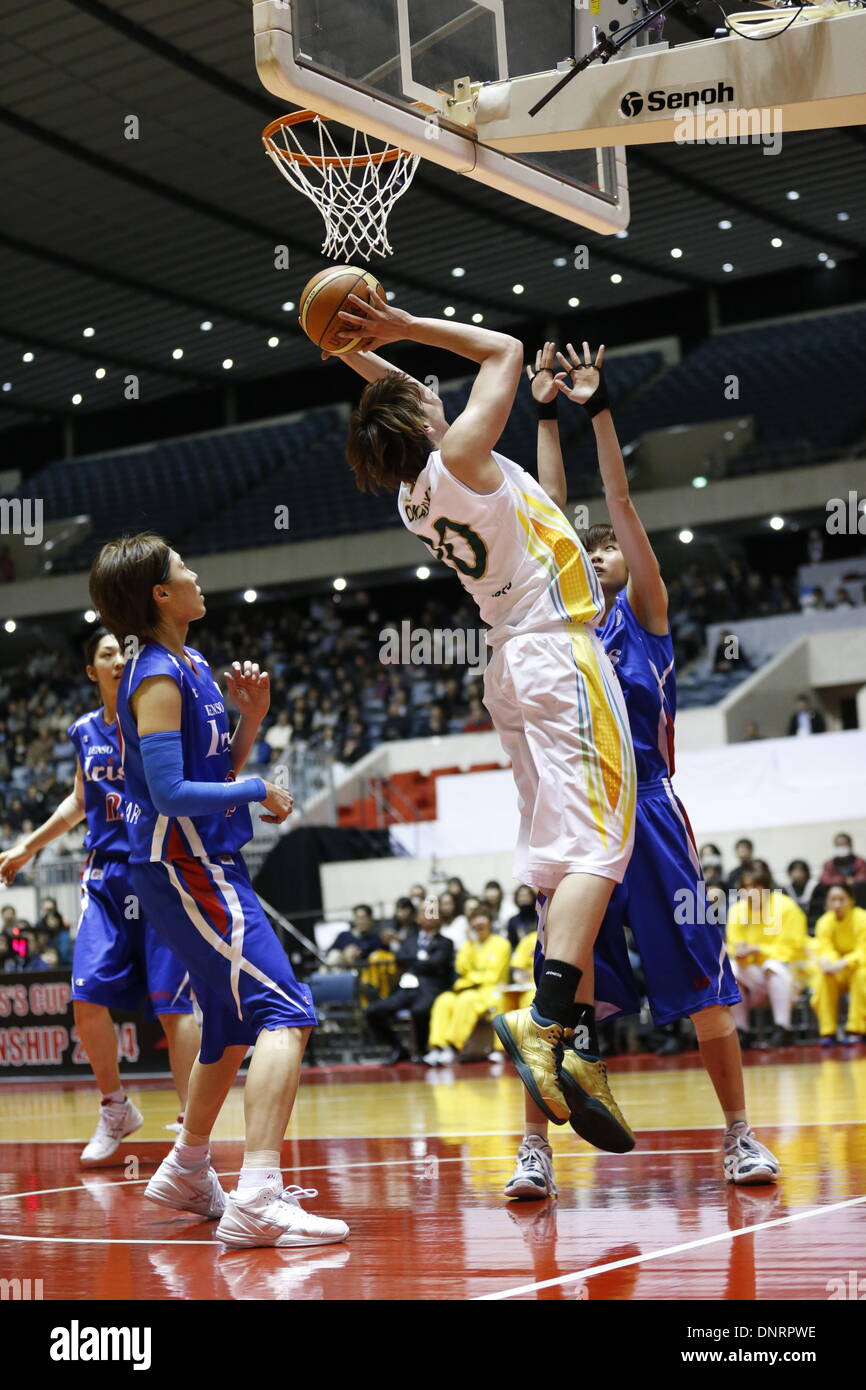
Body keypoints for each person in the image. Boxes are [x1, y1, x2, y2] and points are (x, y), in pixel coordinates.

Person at [334, 297, 635, 1154]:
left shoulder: (415, 489)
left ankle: (571, 1045)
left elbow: (399, 398)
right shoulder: (461, 455)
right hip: (555, 655)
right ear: (425, 421)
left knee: (553, 856)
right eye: (426, 394)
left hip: (511, 666)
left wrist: (355, 348)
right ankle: (545, 1021)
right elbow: (502, 348)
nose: (435, 391)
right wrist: (395, 323)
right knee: (599, 844)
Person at [502, 338, 777, 1200]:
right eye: (582, 547)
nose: (595, 547)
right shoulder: (564, 630)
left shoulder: (644, 615)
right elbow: (549, 509)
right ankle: (534, 1153)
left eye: (604, 548)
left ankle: (739, 1136)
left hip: (650, 810)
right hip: (578, 812)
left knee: (702, 981)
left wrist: (597, 408)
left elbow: (613, 500)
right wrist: (539, 412)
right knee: (557, 997)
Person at [89, 534, 346, 1249]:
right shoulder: (157, 677)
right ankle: (259, 1193)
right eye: (181, 568)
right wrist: (258, 785)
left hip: (200, 862)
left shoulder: (191, 662)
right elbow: (170, 793)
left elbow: (203, 767)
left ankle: (187, 1165)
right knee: (286, 1012)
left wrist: (251, 722)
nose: (195, 572)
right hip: (186, 865)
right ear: (159, 596)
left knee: (231, 1027)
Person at [0, 628, 200, 1164]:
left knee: (173, 1005)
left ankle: (191, 1130)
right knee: (86, 998)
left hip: (159, 867)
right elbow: (80, 800)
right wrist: (28, 846)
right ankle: (115, 1108)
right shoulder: (85, 730)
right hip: (106, 875)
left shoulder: (156, 716)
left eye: (124, 652)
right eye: (106, 654)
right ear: (92, 671)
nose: (117, 660)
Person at [726, 865, 809, 1048]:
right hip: (755, 978)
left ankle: (783, 1028)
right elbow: (734, 945)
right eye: (745, 888)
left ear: (766, 889)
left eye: (755, 887)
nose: (750, 892)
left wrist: (759, 950)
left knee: (772, 966)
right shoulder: (736, 911)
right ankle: (741, 1031)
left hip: (792, 972)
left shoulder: (787, 907)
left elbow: (793, 947)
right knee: (730, 970)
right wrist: (739, 954)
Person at [364, 902, 454, 1064]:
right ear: (417, 918)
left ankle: (422, 1051)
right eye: (424, 912)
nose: (428, 916)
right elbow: (400, 959)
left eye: (432, 912)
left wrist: (414, 961)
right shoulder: (410, 940)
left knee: (420, 1010)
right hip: (406, 989)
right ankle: (398, 1048)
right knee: (373, 1010)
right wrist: (421, 959)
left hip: (430, 989)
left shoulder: (445, 943)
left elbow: (436, 963)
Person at [424, 905, 511, 1065]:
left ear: (490, 922)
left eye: (482, 917)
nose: (478, 922)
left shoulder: (501, 944)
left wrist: (471, 978)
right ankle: (437, 1047)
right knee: (443, 1000)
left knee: (466, 1000)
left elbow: (493, 975)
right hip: (467, 988)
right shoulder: (468, 945)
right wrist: (471, 945)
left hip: (489, 990)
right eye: (474, 919)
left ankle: (452, 1047)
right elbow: (461, 968)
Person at [810, 884, 866, 1045]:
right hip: (838, 969)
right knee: (823, 976)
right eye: (833, 900)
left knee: (861, 975)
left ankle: (857, 1029)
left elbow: (863, 950)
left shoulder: (862, 918)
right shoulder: (824, 922)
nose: (837, 904)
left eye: (841, 899)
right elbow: (824, 949)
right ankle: (828, 1032)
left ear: (851, 900)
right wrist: (829, 962)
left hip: (859, 967)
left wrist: (844, 962)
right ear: (827, 903)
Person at [326, 903, 383, 968]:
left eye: (364, 918)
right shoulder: (343, 936)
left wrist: (359, 955)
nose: (362, 922)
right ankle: (323, 978)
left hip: (363, 971)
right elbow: (329, 953)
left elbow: (377, 958)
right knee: (334, 954)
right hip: (342, 970)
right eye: (359, 918)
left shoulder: (374, 938)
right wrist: (345, 953)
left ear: (370, 919)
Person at [506, 884, 537, 949]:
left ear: (532, 897)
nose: (524, 899)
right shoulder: (513, 921)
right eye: (520, 896)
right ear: (516, 899)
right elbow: (511, 945)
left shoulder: (539, 918)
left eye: (526, 896)